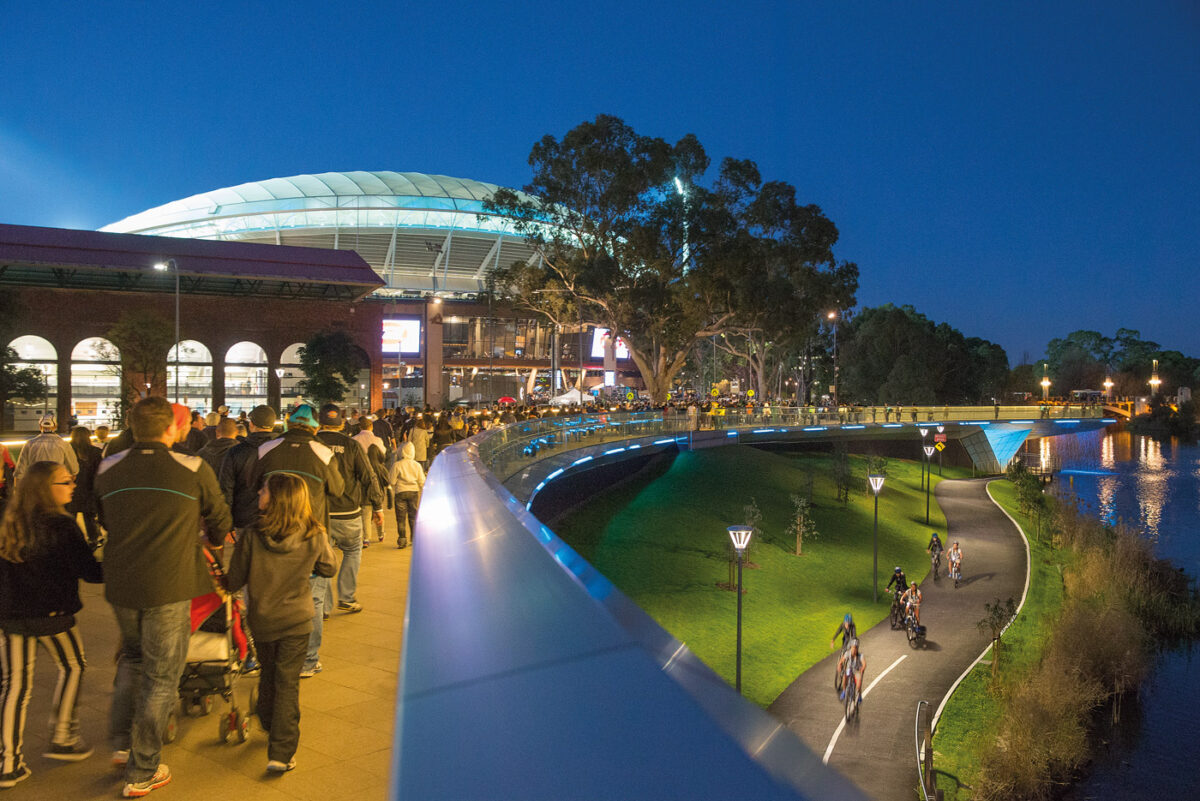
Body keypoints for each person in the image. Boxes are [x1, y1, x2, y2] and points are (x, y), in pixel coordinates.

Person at [95, 396, 233, 798]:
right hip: (170, 583)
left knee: (133, 660)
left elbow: (103, 515)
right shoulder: (192, 467)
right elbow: (219, 515)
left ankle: (122, 745)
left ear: (133, 427)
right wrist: (214, 540)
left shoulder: (107, 467)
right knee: (162, 675)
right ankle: (143, 769)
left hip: (122, 584)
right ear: (171, 429)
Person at [0, 461, 103, 788]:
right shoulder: (62, 525)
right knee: (73, 665)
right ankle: (63, 736)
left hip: (12, 615)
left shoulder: (9, 519)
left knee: (15, 686)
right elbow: (90, 572)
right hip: (53, 615)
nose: (73, 486)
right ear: (48, 488)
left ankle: (9, 763)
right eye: (65, 481)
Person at [225, 472, 335, 773]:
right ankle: (282, 753)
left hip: (263, 619)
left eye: (263, 490)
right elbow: (329, 567)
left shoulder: (251, 534)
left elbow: (233, 579)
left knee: (269, 675)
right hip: (298, 620)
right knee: (287, 683)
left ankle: (269, 721)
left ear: (275, 498)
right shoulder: (314, 533)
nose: (259, 493)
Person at [252, 404, 344, 680]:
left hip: (270, 532)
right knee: (314, 599)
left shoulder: (266, 449)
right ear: (315, 426)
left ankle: (266, 657)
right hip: (309, 535)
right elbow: (338, 490)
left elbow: (250, 482)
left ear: (289, 423)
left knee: (267, 594)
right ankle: (307, 660)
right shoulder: (323, 452)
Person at [316, 403, 384, 615]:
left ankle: (323, 607)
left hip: (320, 514)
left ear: (320, 422)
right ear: (342, 423)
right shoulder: (351, 445)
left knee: (321, 559)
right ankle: (346, 597)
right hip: (348, 511)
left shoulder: (313, 444)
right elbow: (368, 475)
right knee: (352, 551)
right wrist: (377, 506)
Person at [13, 415, 78, 485]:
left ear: (40, 427)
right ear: (55, 427)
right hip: (56, 484)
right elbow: (73, 470)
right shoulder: (64, 444)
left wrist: (16, 490)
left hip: (34, 484)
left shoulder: (29, 444)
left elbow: (20, 472)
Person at [67, 426, 103, 546]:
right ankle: (94, 538)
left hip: (70, 489)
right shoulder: (95, 452)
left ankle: (70, 540)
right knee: (90, 517)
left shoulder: (67, 451)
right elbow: (99, 472)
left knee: (70, 517)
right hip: (89, 489)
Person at [392, 441, 425, 549]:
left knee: (400, 518)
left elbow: (391, 481)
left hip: (400, 492)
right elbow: (422, 481)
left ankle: (402, 540)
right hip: (413, 492)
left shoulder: (397, 465)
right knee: (413, 516)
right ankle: (414, 539)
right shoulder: (417, 465)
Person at [841, 639, 866, 703]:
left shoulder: (860, 655)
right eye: (853, 647)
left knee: (858, 684)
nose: (854, 649)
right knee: (844, 677)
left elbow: (864, 663)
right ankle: (844, 691)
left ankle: (859, 694)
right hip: (849, 670)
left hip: (857, 671)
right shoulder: (847, 653)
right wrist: (840, 665)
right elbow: (842, 660)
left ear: (857, 649)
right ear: (851, 647)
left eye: (855, 648)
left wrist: (862, 668)